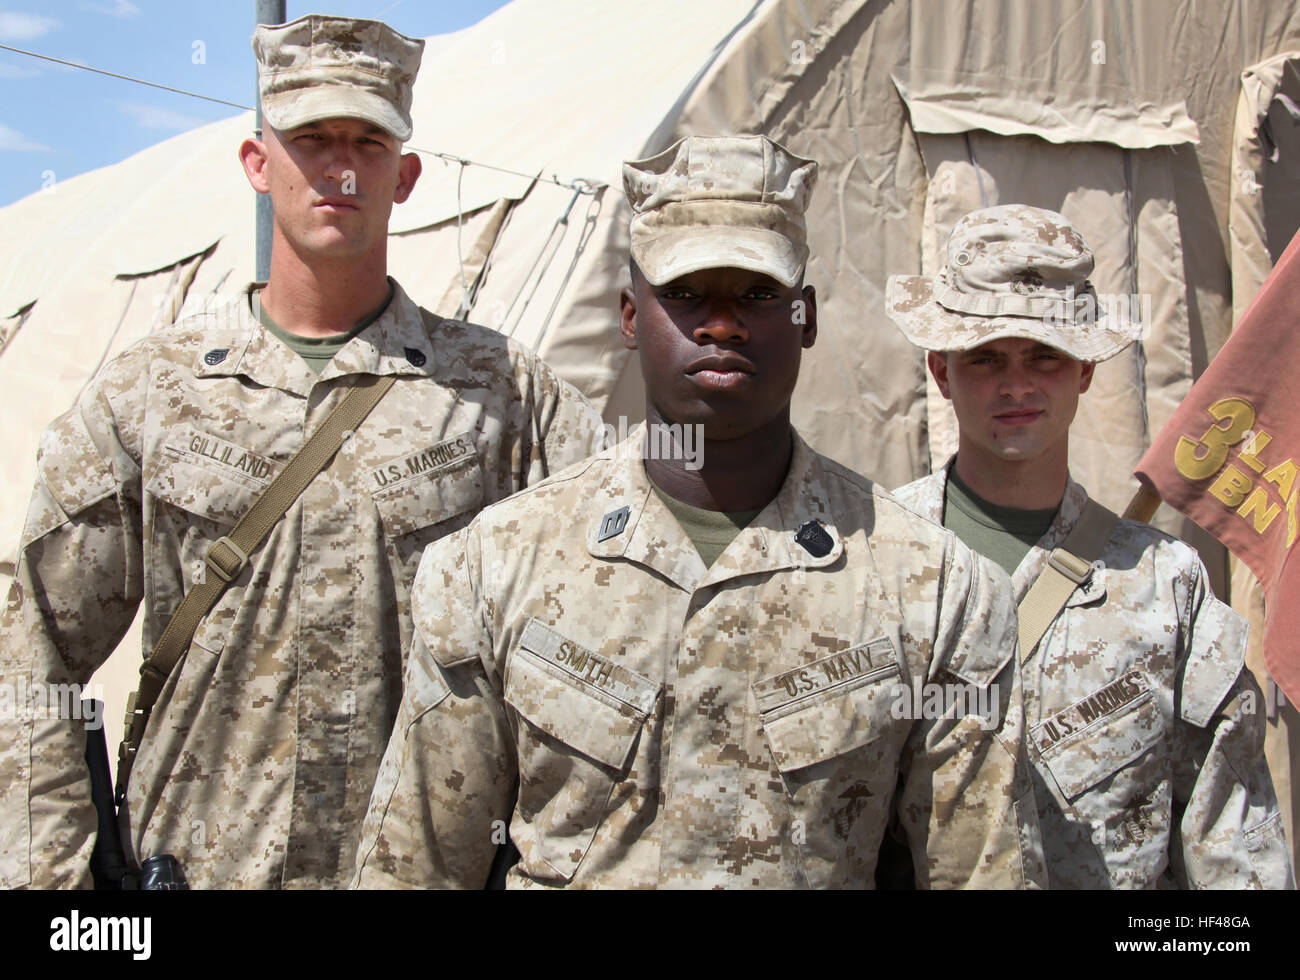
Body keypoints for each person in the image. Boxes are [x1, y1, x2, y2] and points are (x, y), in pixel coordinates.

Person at [0, 13, 603, 890]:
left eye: (367, 140)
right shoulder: (153, 394)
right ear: (258, 164)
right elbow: (30, 647)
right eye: (312, 139)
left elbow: (617, 609)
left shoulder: (499, 392)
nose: (340, 166)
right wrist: (52, 882)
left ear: (405, 176)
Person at [352, 134, 1043, 889]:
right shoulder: (498, 562)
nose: (723, 324)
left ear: (804, 317)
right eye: (684, 294)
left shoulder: (934, 587)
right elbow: (414, 866)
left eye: (756, 294)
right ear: (628, 316)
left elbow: (982, 872)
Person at [889, 204, 1294, 889]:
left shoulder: (1165, 587)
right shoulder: (872, 560)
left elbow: (1234, 864)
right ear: (941, 370)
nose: (1016, 384)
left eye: (1044, 356)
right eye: (986, 357)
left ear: (1083, 369)